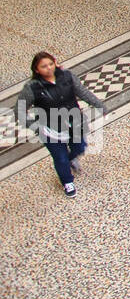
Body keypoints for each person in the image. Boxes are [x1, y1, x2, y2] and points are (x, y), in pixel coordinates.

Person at [13, 52, 105, 197]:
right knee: (60, 158)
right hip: (50, 130)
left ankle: (71, 158)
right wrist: (35, 127)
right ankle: (67, 182)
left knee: (80, 147)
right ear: (36, 70)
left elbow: (82, 92)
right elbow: (19, 110)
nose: (49, 68)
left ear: (55, 62)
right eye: (44, 66)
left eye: (51, 64)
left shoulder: (67, 76)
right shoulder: (32, 87)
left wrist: (98, 105)